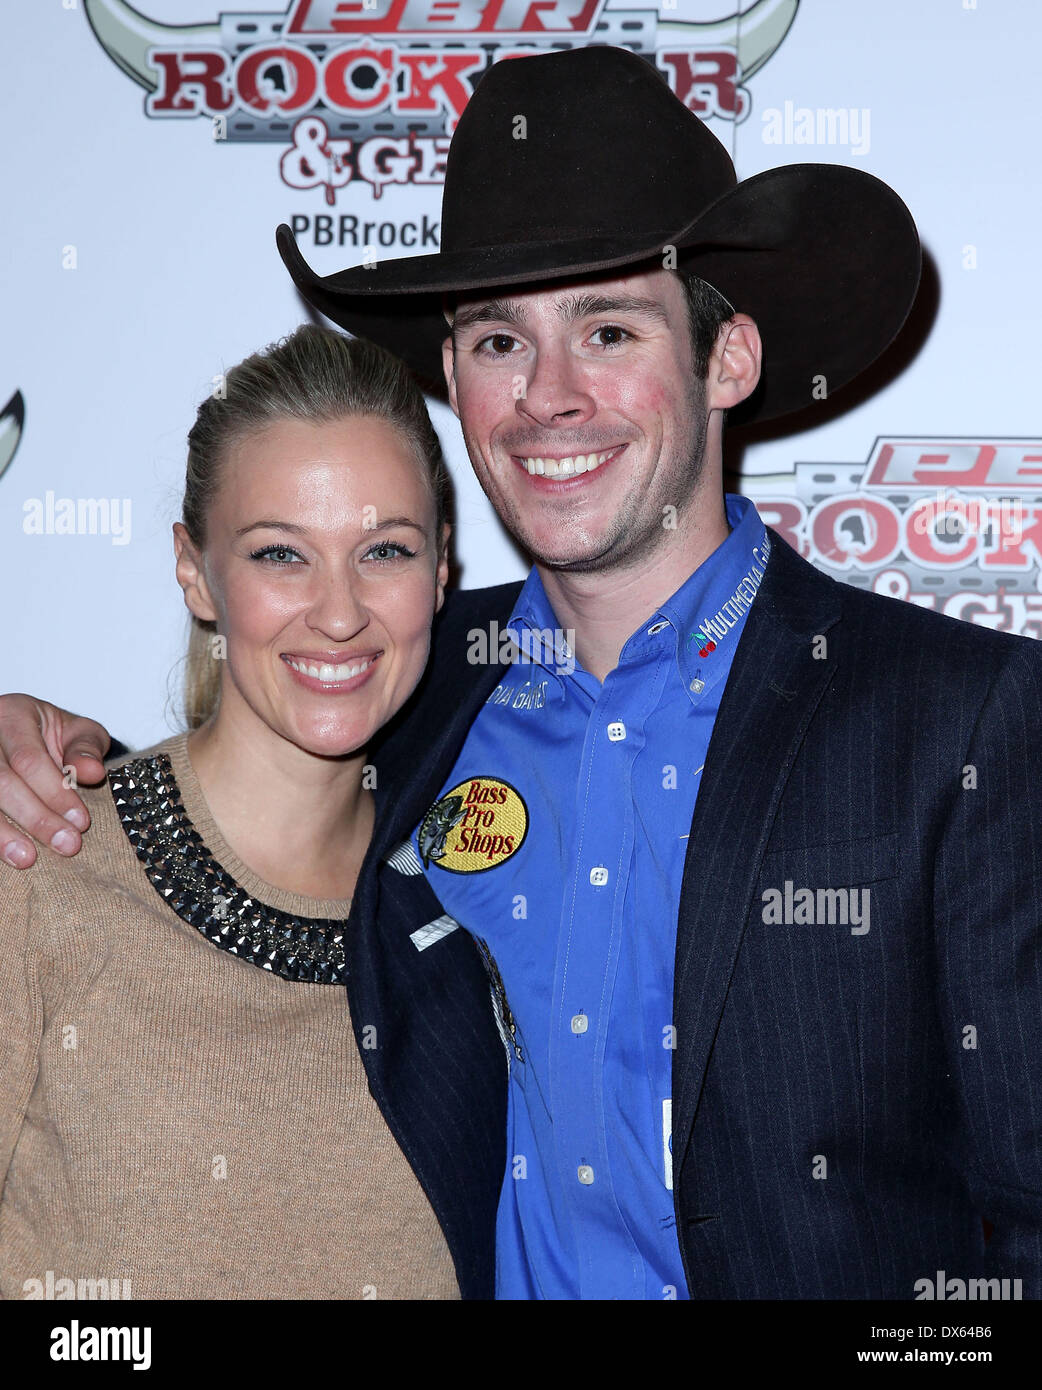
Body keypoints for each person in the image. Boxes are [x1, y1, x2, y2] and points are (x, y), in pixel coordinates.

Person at [4, 45, 1042, 1301]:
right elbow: (228, 784)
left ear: (726, 361)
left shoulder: (960, 718)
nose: (549, 396)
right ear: (448, 376)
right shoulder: (402, 680)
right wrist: (38, 740)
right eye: (499, 340)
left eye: (608, 328)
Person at [0, 322, 509, 1300]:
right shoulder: (41, 861)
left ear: (442, 569)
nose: (338, 611)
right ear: (194, 569)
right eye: (281, 553)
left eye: (385, 550)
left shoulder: (480, 913)